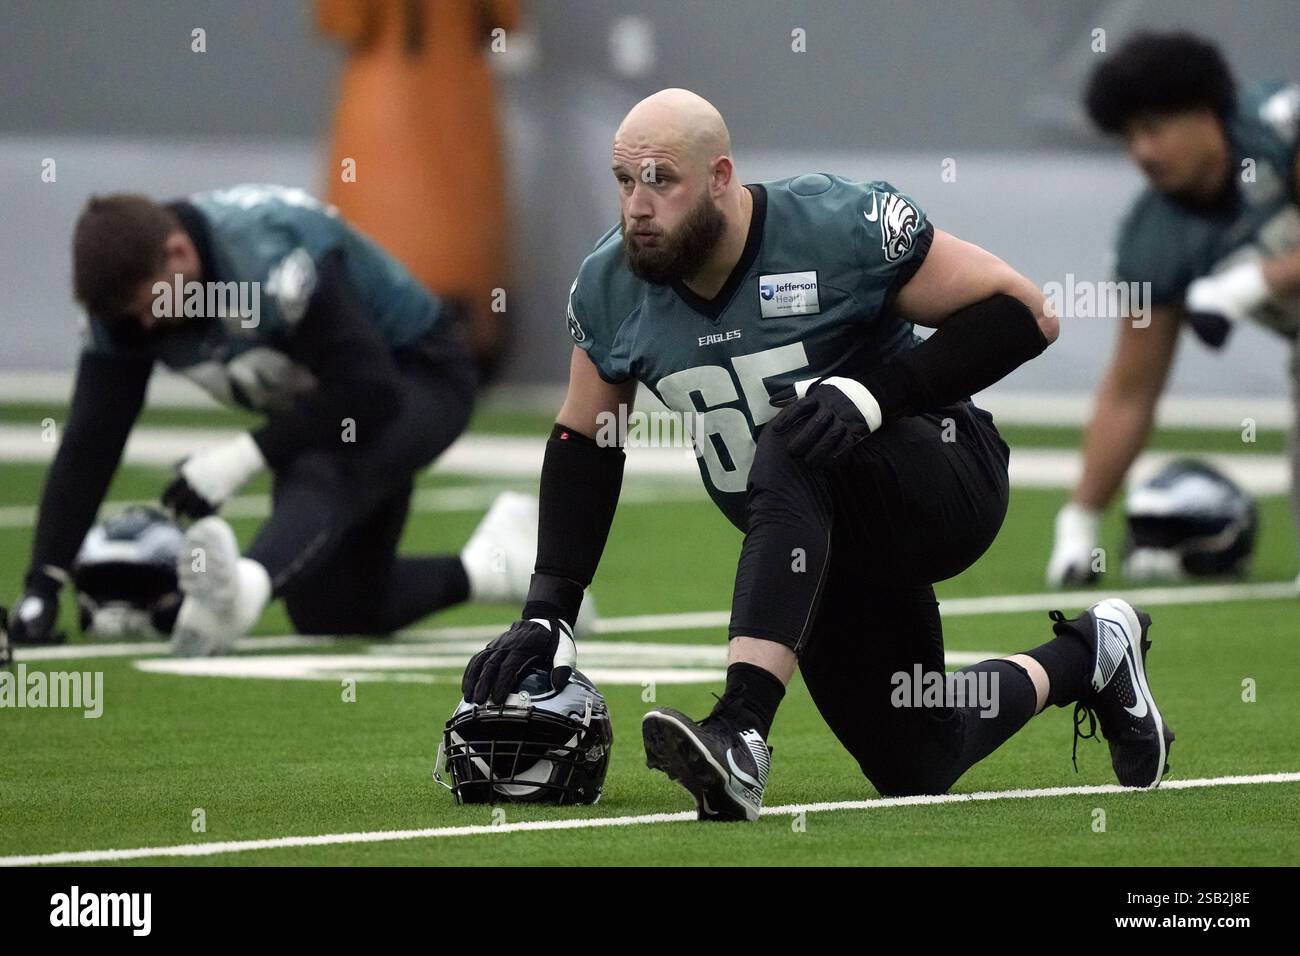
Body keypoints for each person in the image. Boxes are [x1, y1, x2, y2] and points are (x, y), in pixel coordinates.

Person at [460, 89, 1174, 821]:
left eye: (660, 179)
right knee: (916, 759)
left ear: (720, 177)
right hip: (822, 548)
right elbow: (586, 439)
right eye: (623, 180)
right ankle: (1093, 654)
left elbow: (1026, 314)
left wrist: (871, 394)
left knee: (790, 439)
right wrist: (550, 613)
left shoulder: (831, 227)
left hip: (942, 477)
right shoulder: (612, 286)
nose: (638, 205)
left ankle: (740, 729)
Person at [8, 184, 546, 656]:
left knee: (322, 464)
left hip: (419, 376)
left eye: (149, 306)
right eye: (130, 318)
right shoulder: (133, 309)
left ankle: (238, 594)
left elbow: (367, 388)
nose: (145, 325)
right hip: (329, 406)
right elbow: (91, 440)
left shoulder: (264, 252)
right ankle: (497, 564)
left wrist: (243, 457)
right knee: (331, 608)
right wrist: (42, 585)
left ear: (178, 252)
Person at [1048, 32, 1300, 587]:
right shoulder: (1153, 240)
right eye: (1128, 136)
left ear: (1208, 113)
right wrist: (1080, 520)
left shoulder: (1282, 129)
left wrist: (1255, 281)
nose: (1141, 151)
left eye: (1154, 128)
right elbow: (1131, 391)